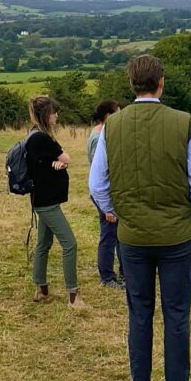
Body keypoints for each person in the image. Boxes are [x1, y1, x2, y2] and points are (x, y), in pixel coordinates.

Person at [90, 55, 191, 381]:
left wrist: (120, 214)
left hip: (133, 239)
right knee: (176, 318)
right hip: (176, 239)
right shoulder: (183, 123)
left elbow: (97, 185)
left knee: (139, 317)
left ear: (132, 85)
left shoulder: (112, 127)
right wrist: (189, 219)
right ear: (161, 82)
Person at [23, 95, 83, 308]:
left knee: (43, 244)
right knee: (70, 243)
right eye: (54, 112)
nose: (57, 115)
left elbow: (53, 161)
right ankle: (74, 296)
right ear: (45, 115)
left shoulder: (34, 135)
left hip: (43, 198)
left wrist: (57, 163)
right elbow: (66, 157)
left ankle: (41, 289)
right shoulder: (42, 138)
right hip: (46, 201)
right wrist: (60, 161)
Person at [88, 100, 124, 288]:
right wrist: (106, 206)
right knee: (109, 235)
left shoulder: (103, 132)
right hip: (104, 195)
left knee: (116, 235)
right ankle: (107, 277)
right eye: (118, 112)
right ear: (108, 116)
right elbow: (99, 171)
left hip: (108, 193)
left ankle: (122, 273)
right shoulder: (98, 137)